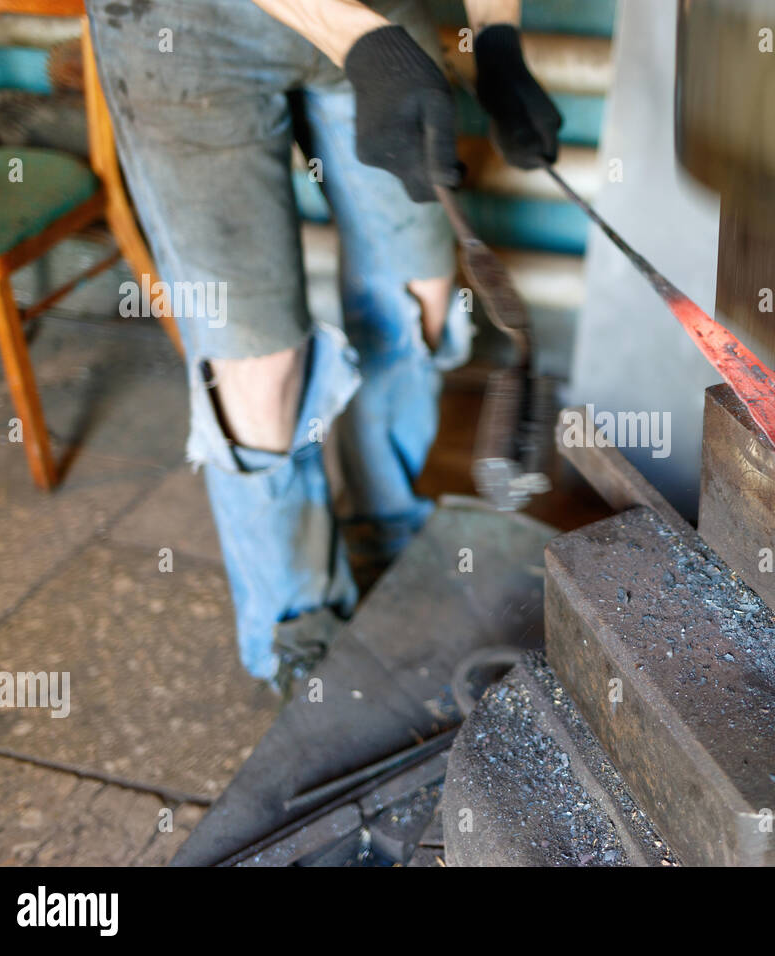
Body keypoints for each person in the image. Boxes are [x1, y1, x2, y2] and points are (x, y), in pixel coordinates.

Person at [85, 0, 560, 688]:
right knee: (259, 364)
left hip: (382, 16)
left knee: (416, 300)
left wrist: (498, 40)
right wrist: (362, 41)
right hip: (181, 31)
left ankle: (389, 530)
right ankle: (298, 626)